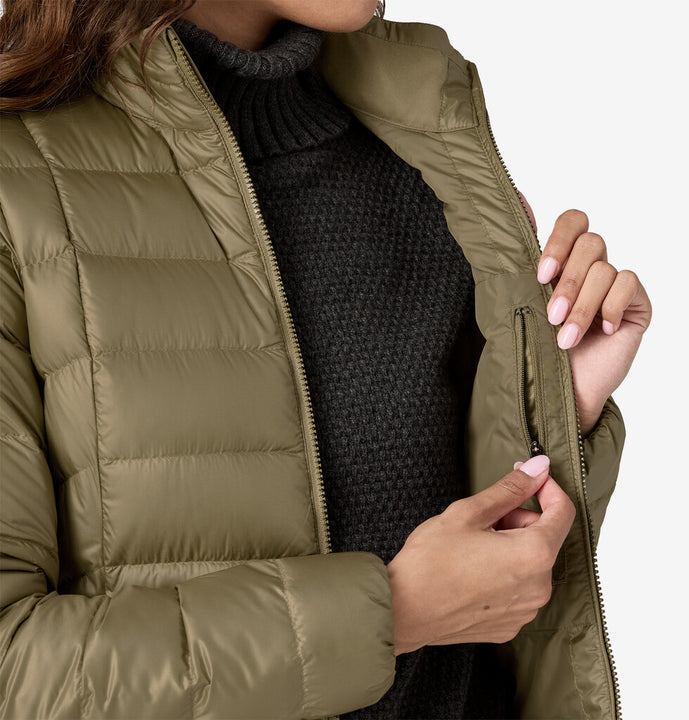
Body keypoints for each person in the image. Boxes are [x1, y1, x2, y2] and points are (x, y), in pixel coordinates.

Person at [0, 0, 651, 718]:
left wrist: (551, 404)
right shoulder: (16, 183)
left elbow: (481, 592)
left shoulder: (420, 151)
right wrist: (392, 613)